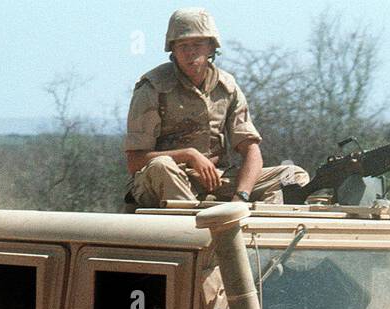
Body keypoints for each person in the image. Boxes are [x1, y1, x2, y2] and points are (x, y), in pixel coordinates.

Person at [124, 8, 308, 209]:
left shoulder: (226, 87)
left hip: (214, 179)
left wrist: (241, 198)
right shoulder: (153, 88)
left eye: (197, 44)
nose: (190, 52)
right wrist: (189, 155)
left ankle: (258, 230)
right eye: (183, 45)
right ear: (173, 51)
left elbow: (251, 151)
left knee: (292, 175)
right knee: (162, 165)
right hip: (163, 180)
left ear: (211, 48)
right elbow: (135, 162)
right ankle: (193, 228)